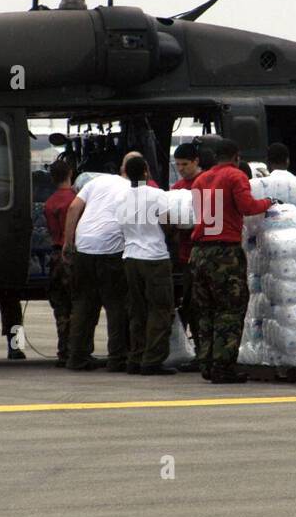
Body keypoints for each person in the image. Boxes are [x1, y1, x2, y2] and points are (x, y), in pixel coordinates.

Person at [189, 138, 272, 384]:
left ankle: (206, 362)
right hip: (224, 253)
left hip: (199, 252)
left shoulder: (200, 180)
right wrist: (269, 202)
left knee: (206, 311)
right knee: (230, 311)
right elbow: (248, 206)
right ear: (236, 157)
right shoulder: (236, 176)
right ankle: (223, 367)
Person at [62, 152, 136, 372]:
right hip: (111, 251)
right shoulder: (132, 189)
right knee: (116, 306)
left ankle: (77, 357)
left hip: (84, 247)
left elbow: (74, 208)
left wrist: (68, 242)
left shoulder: (97, 182)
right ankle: (117, 358)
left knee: (84, 304)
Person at [120, 155, 177, 376]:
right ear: (146, 171)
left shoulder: (122, 196)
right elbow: (167, 223)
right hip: (154, 257)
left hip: (130, 257)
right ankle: (152, 360)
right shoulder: (156, 194)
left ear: (126, 172)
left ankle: (136, 356)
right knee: (160, 309)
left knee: (137, 310)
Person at [171, 143, 203, 372]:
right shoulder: (177, 187)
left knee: (201, 305)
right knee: (190, 304)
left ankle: (203, 351)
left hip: (202, 251)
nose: (181, 169)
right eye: (178, 165)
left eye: (185, 164)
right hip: (185, 255)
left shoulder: (206, 183)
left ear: (196, 162)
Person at [42, 158, 76, 368]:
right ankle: (76, 349)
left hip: (55, 256)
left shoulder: (49, 203)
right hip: (71, 255)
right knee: (78, 305)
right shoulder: (75, 199)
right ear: (70, 172)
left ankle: (63, 349)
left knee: (61, 308)